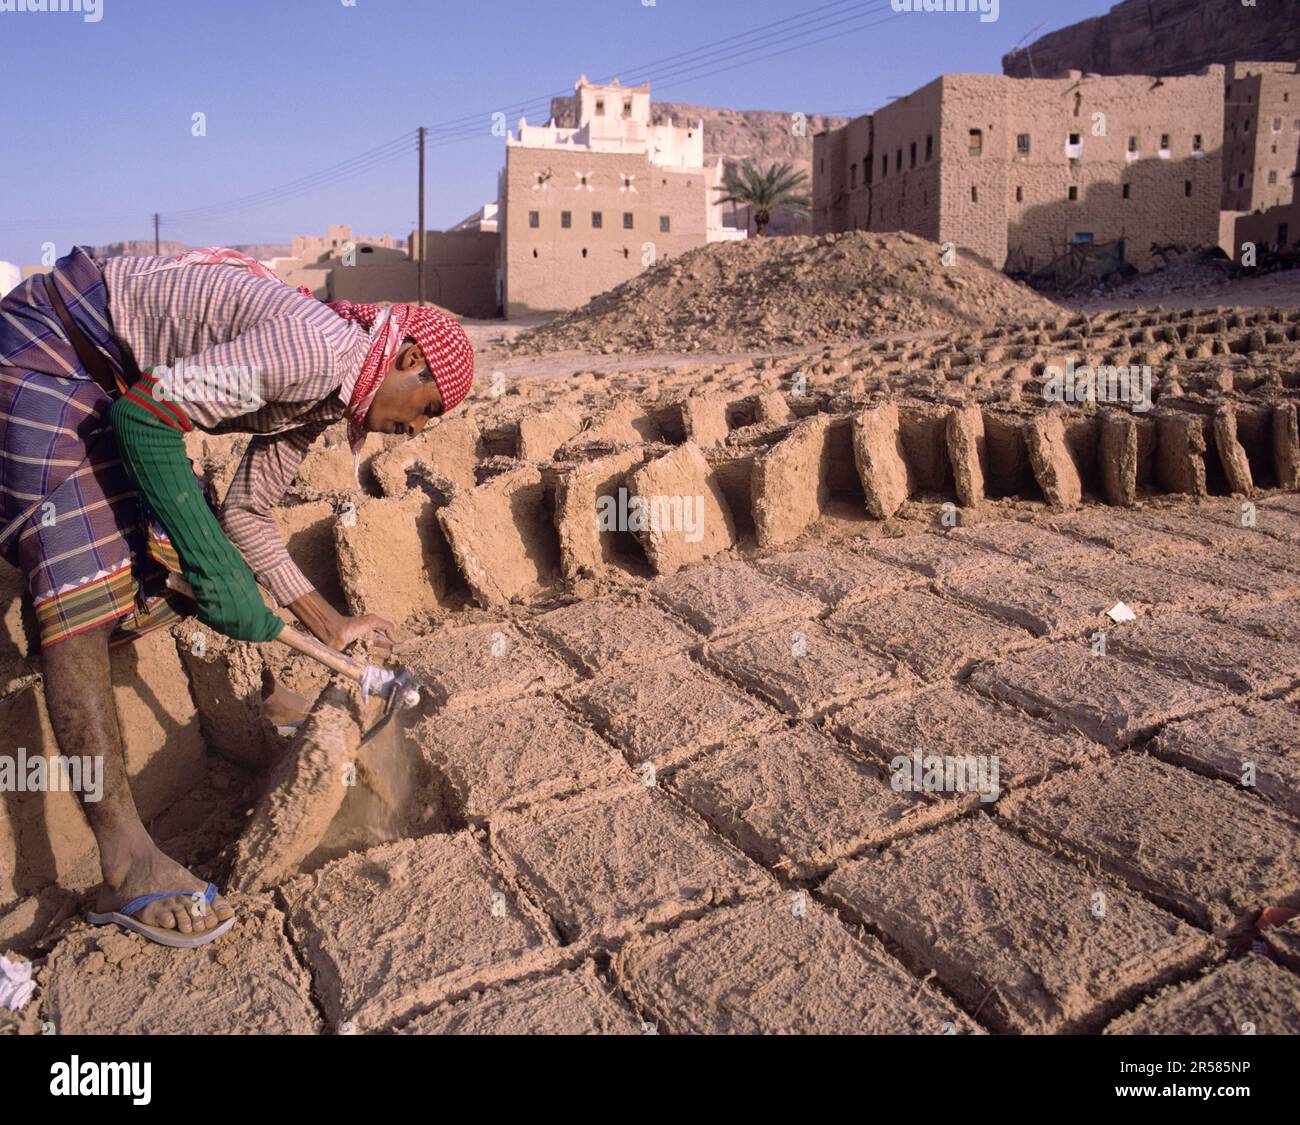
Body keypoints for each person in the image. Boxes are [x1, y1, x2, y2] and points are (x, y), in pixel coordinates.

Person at [0, 246, 474, 944]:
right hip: (49, 349)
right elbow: (143, 418)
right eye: (426, 408)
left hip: (109, 382)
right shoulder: (320, 351)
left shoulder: (322, 397)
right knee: (84, 566)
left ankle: (254, 700)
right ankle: (125, 861)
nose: (417, 429)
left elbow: (246, 514)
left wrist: (324, 619)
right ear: (405, 357)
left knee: (177, 548)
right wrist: (214, 564)